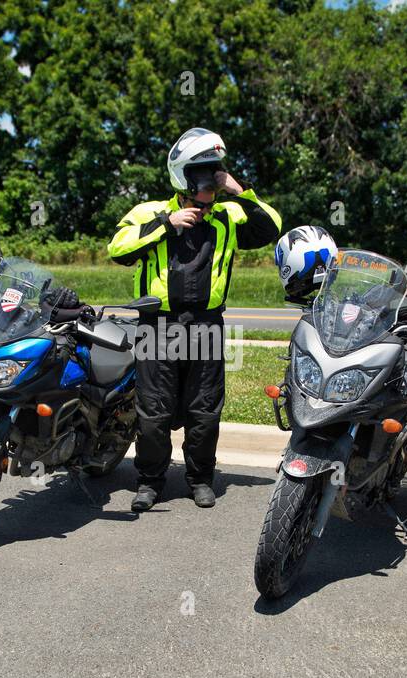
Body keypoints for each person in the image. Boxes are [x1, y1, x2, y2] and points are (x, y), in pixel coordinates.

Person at [108, 128, 282, 512]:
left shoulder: (227, 216)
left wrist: (241, 190)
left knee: (204, 410)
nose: (211, 190)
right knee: (153, 411)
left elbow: (271, 227)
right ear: (185, 179)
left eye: (216, 181)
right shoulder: (149, 212)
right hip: (158, 325)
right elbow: (117, 248)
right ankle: (150, 481)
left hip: (205, 325)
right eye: (206, 181)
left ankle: (200, 478)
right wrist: (167, 224)